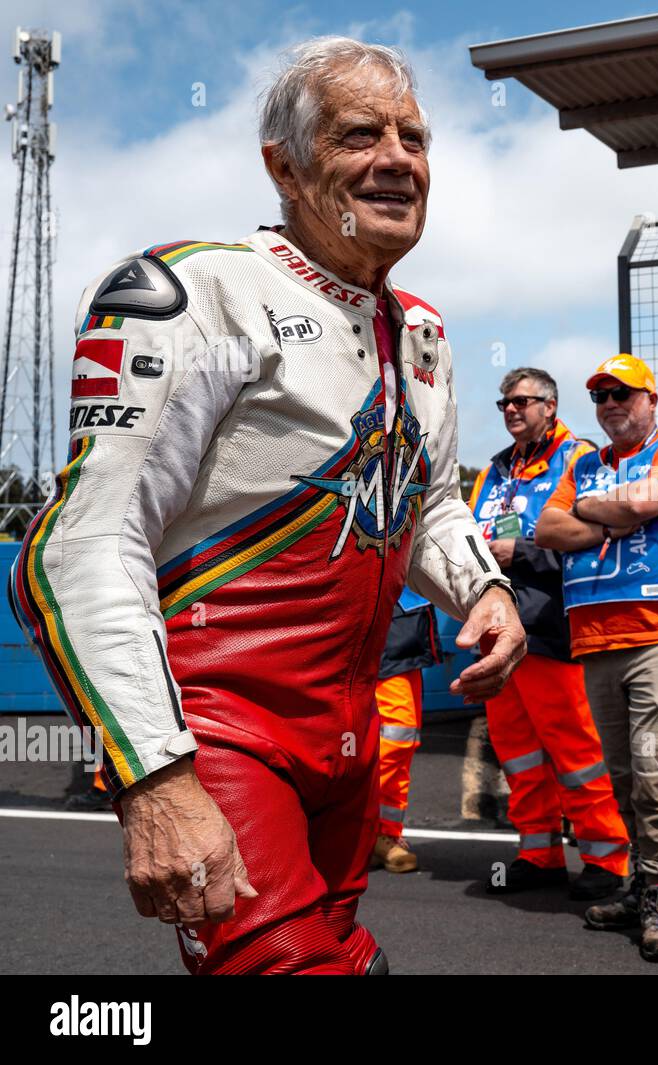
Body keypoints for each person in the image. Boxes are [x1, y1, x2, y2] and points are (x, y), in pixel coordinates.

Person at [10, 37, 524, 975]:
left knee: (343, 952)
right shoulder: (190, 291)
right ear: (283, 166)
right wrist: (155, 780)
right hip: (221, 735)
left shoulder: (426, 332)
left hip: (351, 744)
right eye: (360, 134)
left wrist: (481, 589)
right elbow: (76, 547)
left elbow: (431, 505)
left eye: (414, 136)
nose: (398, 158)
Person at [534, 354, 658, 962]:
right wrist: (605, 514)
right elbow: (546, 532)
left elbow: (641, 507)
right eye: (601, 396)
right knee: (623, 776)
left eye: (623, 394)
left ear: (650, 400)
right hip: (597, 642)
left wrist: (596, 511)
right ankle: (641, 886)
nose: (611, 404)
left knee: (654, 770)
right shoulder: (583, 463)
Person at [466, 368, 630, 900]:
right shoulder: (494, 470)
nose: (512, 410)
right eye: (504, 403)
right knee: (516, 751)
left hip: (553, 630)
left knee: (576, 750)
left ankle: (607, 859)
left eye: (522, 401)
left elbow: (596, 536)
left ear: (550, 406)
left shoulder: (580, 457)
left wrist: (527, 552)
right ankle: (538, 853)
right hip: (499, 632)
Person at [371, 589, 440, 874]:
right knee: (394, 736)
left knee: (402, 739)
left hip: (405, 629)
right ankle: (362, 832)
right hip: (384, 626)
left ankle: (384, 833)